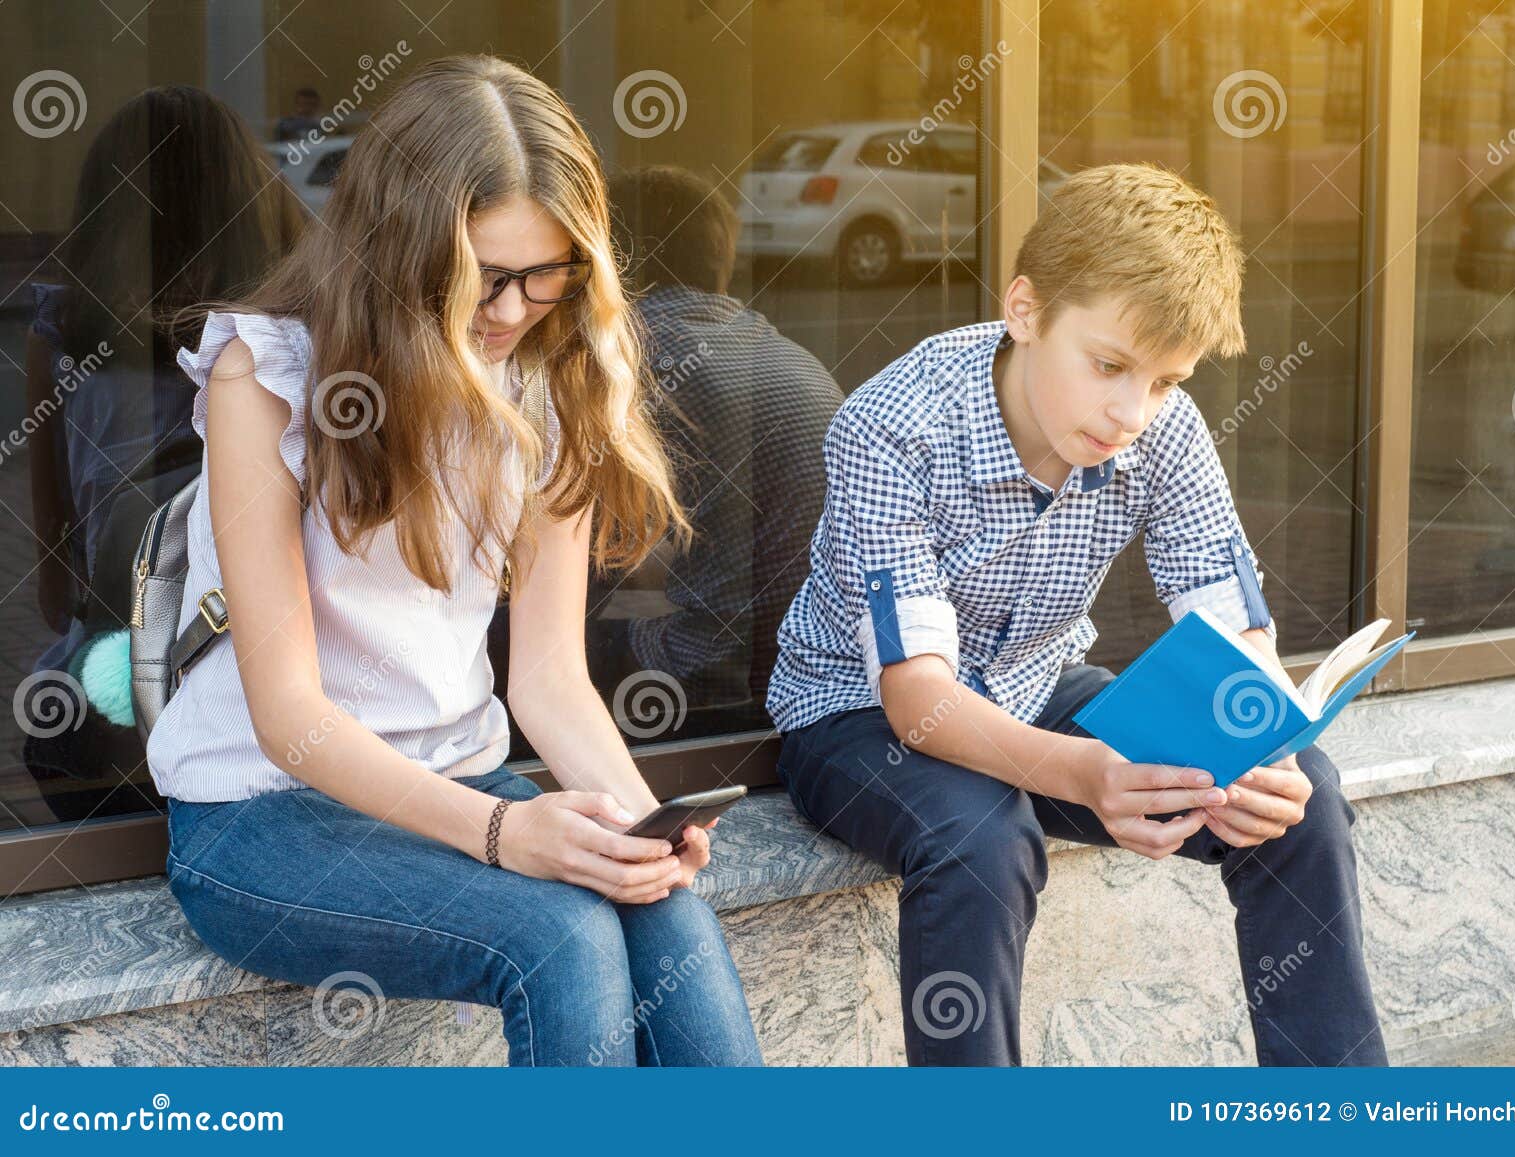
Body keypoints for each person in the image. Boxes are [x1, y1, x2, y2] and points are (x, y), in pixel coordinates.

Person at [154, 55, 761, 1067]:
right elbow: (290, 717)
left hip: (458, 777)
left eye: (547, 273)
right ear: (398, 247)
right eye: (486, 274)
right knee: (560, 939)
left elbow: (551, 679)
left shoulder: (548, 373)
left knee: (674, 923)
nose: (516, 308)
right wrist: (498, 835)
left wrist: (641, 824)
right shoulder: (265, 373)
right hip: (262, 813)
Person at [767, 162, 1387, 1067]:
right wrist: (1083, 774)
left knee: (1302, 801)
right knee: (984, 839)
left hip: (1035, 681)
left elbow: (1232, 618)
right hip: (857, 719)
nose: (1131, 411)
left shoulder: (1159, 424)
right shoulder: (890, 426)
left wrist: (1266, 745)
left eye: (1166, 381)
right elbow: (918, 699)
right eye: (1109, 366)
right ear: (1025, 310)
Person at [22, 85, 305, 819]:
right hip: (282, 734)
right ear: (250, 208)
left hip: (115, 729)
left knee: (54, 722)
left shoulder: (58, 336)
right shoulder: (285, 342)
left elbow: (57, 595)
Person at [586, 164, 842, 735]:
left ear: (611, 268)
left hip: (712, 688)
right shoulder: (797, 360)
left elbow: (588, 570)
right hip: (817, 683)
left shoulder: (635, 369)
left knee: (515, 633)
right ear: (722, 263)